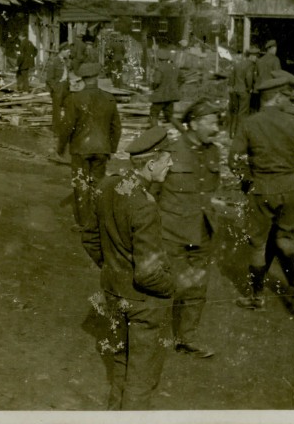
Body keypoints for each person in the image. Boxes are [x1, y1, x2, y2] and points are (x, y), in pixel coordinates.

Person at [81, 126, 175, 410]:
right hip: (143, 303)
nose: (171, 164)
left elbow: (89, 236)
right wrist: (173, 287)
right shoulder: (144, 205)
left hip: (113, 293)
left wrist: (111, 265)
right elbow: (147, 274)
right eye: (167, 159)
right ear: (150, 163)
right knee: (141, 376)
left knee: (120, 361)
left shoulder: (108, 186)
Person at [230, 70, 294, 312]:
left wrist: (248, 181)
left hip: (261, 190)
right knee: (285, 239)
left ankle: (256, 297)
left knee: (258, 245)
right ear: (278, 97)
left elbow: (235, 159)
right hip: (290, 189)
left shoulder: (250, 123)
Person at [156, 100, 221, 358]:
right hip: (171, 230)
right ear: (193, 124)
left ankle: (187, 338)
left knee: (197, 286)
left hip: (202, 229)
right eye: (211, 123)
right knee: (165, 284)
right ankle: (149, 336)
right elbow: (152, 190)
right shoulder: (170, 151)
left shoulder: (214, 151)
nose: (216, 129)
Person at [58, 62, 122, 230]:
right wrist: (112, 148)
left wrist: (61, 147)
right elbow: (116, 127)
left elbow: (67, 126)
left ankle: (84, 222)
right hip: (102, 149)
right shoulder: (109, 98)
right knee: (98, 184)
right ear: (97, 77)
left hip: (80, 149)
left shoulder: (74, 99)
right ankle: (98, 222)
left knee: (81, 184)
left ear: (83, 79)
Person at [227, 47, 259, 137]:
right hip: (244, 92)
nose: (256, 59)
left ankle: (231, 132)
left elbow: (231, 79)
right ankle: (239, 134)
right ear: (252, 56)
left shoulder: (238, 64)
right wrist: (249, 88)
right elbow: (249, 78)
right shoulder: (251, 65)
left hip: (235, 91)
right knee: (243, 113)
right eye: (256, 56)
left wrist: (232, 88)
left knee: (234, 112)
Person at [149, 50, 182, 128]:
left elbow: (156, 81)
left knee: (153, 115)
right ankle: (183, 131)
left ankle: (155, 133)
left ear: (159, 59)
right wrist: (176, 87)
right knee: (170, 116)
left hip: (160, 96)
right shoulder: (175, 67)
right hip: (171, 96)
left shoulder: (159, 68)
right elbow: (182, 78)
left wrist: (153, 87)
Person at [45, 43, 72, 135]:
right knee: (57, 110)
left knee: (68, 108)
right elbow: (49, 78)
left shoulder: (66, 61)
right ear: (62, 51)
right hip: (58, 87)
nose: (69, 53)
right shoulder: (54, 61)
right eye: (68, 51)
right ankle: (56, 130)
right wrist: (55, 88)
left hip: (66, 87)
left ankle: (64, 128)